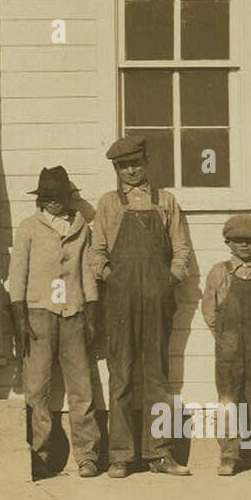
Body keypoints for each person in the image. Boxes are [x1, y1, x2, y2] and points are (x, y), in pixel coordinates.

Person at [88, 134, 191, 477]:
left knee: (156, 375)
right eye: (122, 166)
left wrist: (170, 281)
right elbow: (97, 250)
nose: (130, 171)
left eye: (135, 163)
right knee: (121, 374)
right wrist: (110, 277)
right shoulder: (108, 203)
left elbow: (181, 248)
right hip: (120, 298)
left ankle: (159, 453)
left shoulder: (166, 201)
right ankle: (120, 455)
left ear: (146, 161)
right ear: (116, 170)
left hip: (157, 296)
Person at [8, 167, 102, 478]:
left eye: (58, 197)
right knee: (37, 389)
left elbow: (87, 272)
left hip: (73, 313)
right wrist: (19, 316)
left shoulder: (80, 228)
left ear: (68, 198)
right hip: (38, 314)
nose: (53, 203)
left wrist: (91, 310)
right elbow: (18, 274)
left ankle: (87, 455)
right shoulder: (29, 228)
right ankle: (40, 454)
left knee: (81, 388)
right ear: (40, 200)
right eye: (47, 198)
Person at [201, 215, 251, 475]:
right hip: (229, 348)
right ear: (228, 242)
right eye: (238, 241)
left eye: (250, 241)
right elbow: (210, 311)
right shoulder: (219, 272)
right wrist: (224, 337)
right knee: (227, 400)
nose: (245, 246)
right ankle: (229, 455)